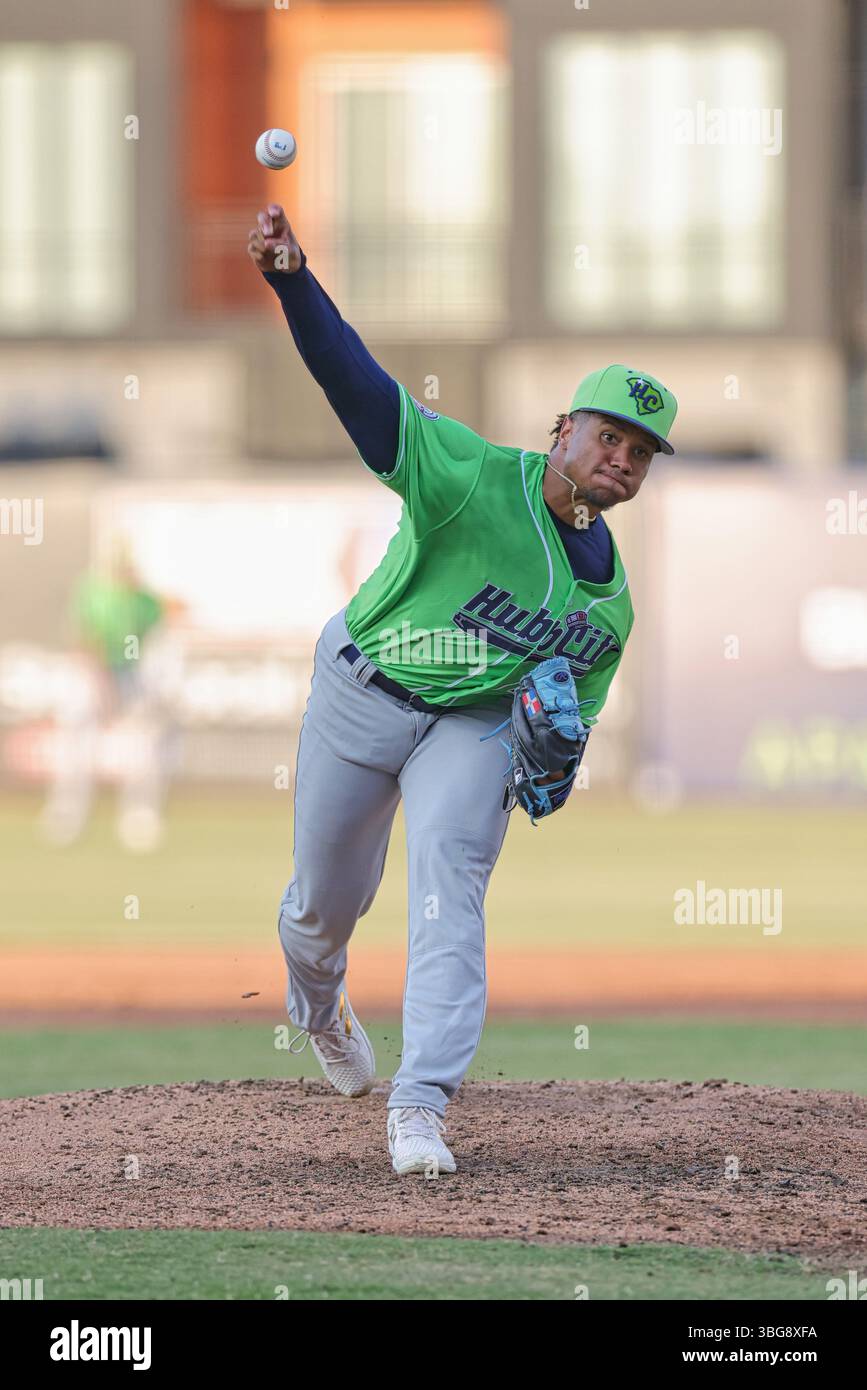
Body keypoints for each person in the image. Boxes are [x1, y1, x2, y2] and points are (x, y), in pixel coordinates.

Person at [248, 204, 677, 1175]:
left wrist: (554, 770)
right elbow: (362, 391)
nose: (621, 458)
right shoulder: (473, 476)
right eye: (609, 435)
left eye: (640, 452)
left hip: (470, 724)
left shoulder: (609, 613)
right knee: (326, 903)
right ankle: (318, 1009)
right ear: (564, 430)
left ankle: (421, 1104)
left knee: (452, 883)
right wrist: (293, 279)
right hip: (366, 685)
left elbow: (558, 765)